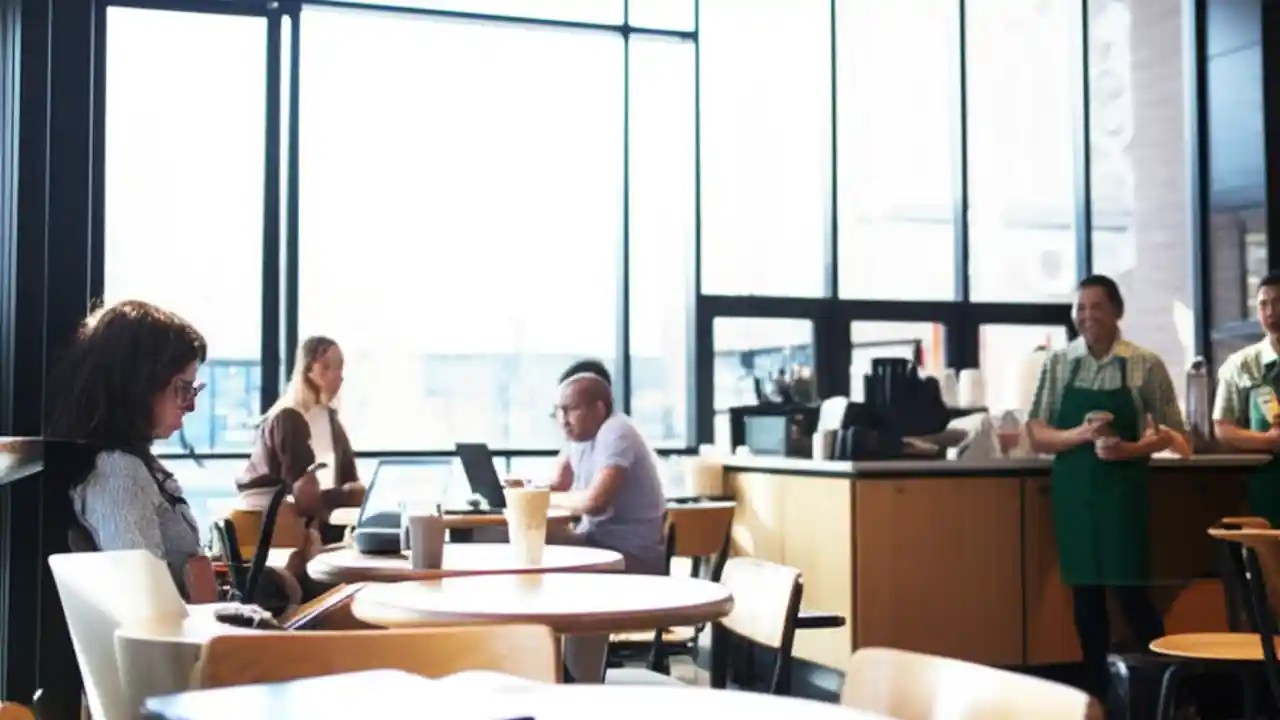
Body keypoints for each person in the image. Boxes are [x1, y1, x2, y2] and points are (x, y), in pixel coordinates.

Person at [1026, 274, 1188, 701]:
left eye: (1096, 307)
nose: (1087, 316)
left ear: (1117, 312)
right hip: (1075, 493)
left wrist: (1132, 448)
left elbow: (1173, 431)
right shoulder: (1059, 364)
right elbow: (1038, 433)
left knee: (1132, 594)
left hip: (1123, 491)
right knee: (1086, 599)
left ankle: (1170, 693)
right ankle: (1096, 694)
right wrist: (1079, 434)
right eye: (1080, 308)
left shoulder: (1144, 363)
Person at [46, 300, 207, 596]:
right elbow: (148, 600)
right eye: (182, 389)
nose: (191, 404)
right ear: (140, 385)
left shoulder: (132, 462)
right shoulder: (118, 472)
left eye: (194, 389)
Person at [239, 335, 364, 544]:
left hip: (311, 527)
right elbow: (306, 500)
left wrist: (346, 494)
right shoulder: (289, 418)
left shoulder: (329, 420)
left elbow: (351, 483)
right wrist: (345, 495)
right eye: (331, 368)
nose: (339, 378)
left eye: (340, 369)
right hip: (274, 531)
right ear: (312, 369)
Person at [549, 372, 666, 576]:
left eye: (571, 410)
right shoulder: (579, 437)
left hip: (630, 555)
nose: (563, 420)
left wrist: (541, 500)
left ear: (599, 408)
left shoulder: (617, 430)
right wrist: (519, 489)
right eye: (559, 411)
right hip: (596, 542)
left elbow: (596, 502)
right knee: (523, 539)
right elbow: (559, 485)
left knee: (534, 548)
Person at [1213, 270, 1280, 523]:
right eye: (1264, 304)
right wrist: (1269, 441)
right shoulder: (1241, 365)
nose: (1271, 311)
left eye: (1278, 302)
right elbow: (1223, 428)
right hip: (1265, 481)